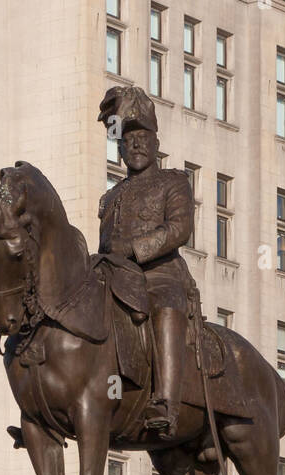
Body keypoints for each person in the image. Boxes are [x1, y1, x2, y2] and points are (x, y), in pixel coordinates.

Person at [97, 86, 197, 439]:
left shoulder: (173, 182)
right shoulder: (110, 197)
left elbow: (180, 229)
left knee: (166, 306)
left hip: (160, 275)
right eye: (128, 140)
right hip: (114, 277)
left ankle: (166, 402)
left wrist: (135, 249)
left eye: (144, 138)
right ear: (120, 148)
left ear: (156, 143)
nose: (136, 145)